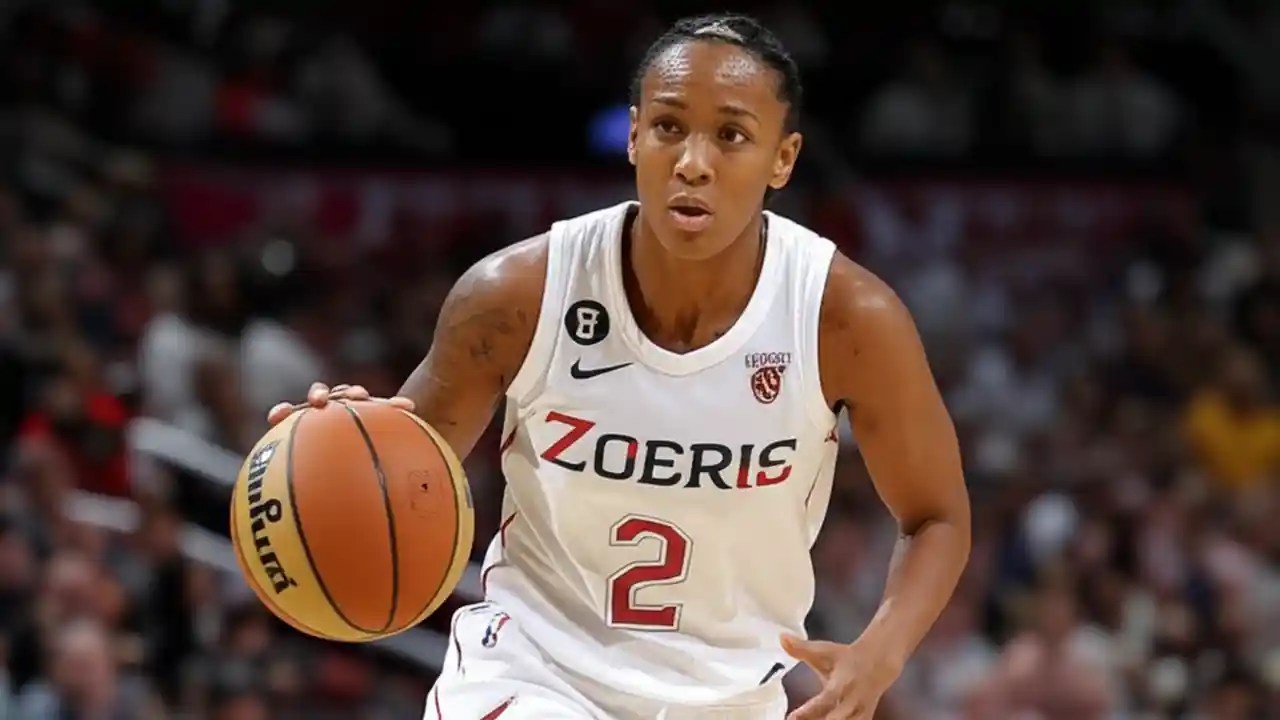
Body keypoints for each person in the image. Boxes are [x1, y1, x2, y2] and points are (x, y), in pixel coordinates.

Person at [268, 13, 970, 720]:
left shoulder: (843, 318)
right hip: (531, 677)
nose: (693, 162)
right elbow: (405, 479)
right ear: (634, 136)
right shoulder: (516, 295)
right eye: (668, 127)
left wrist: (882, 650)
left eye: (731, 135)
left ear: (782, 160)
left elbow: (936, 515)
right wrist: (343, 449)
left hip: (730, 699)